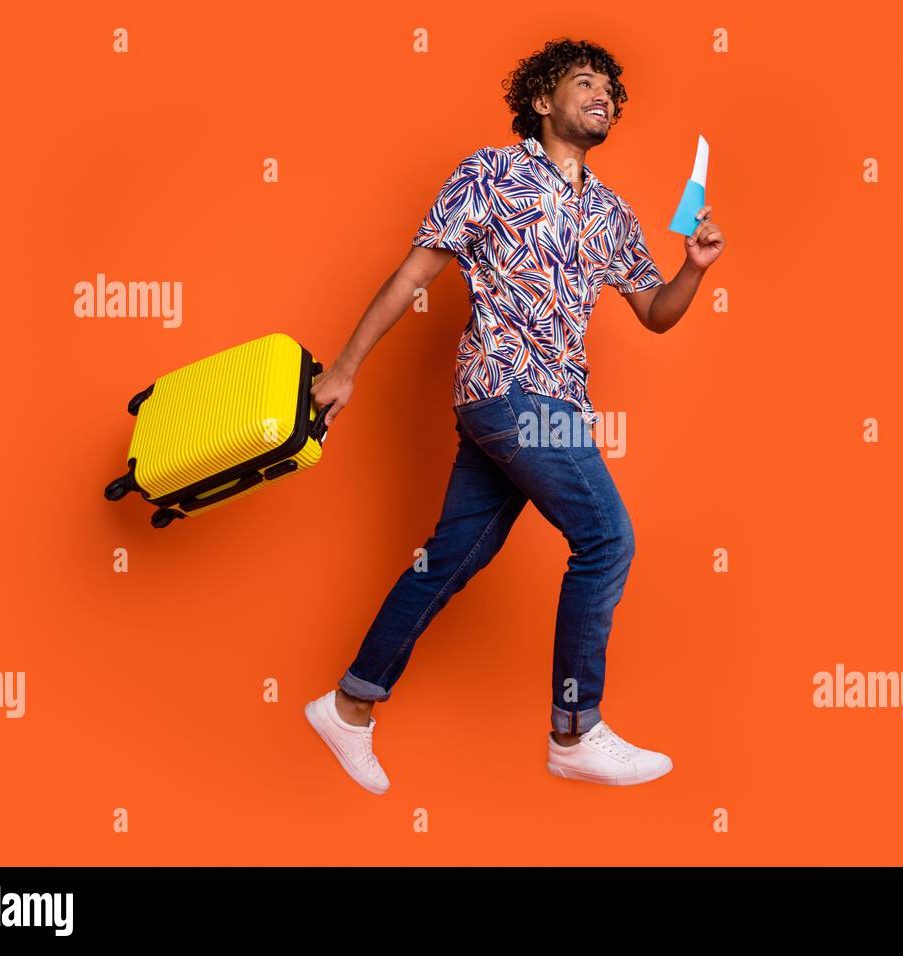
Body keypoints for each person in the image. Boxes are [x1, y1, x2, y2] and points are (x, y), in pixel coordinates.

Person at [304, 38, 726, 793]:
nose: (604, 97)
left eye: (611, 92)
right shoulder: (491, 173)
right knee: (606, 538)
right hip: (507, 388)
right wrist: (343, 370)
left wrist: (691, 271)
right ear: (541, 101)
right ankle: (574, 729)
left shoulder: (610, 213)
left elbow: (655, 314)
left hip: (547, 403)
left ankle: (350, 704)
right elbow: (414, 271)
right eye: (585, 82)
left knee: (451, 560)